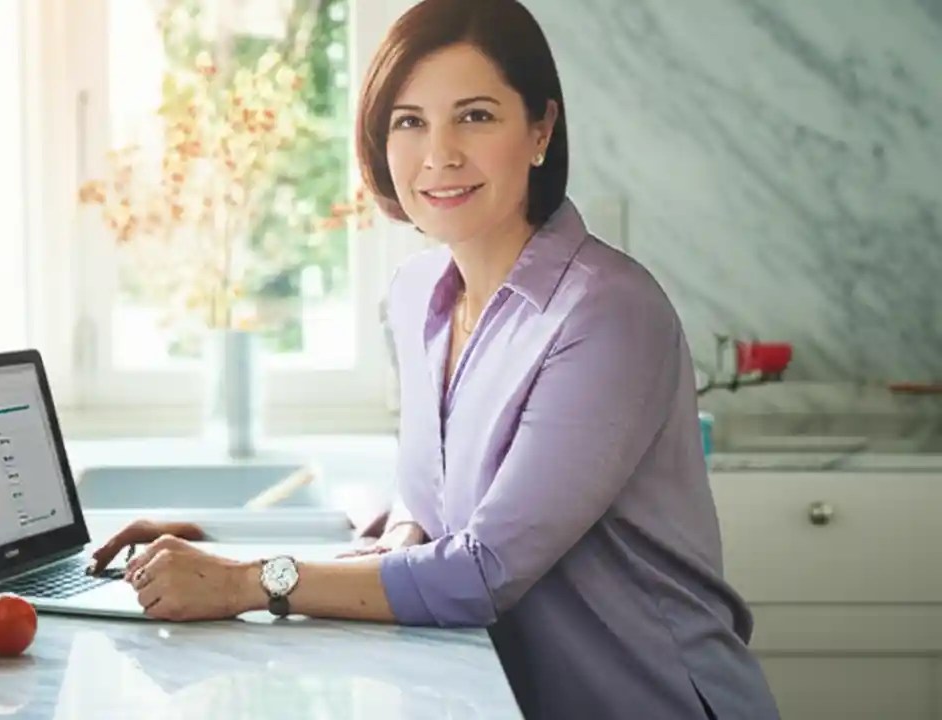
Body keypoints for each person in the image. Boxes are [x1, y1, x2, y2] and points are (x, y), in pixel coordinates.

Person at [89, 1, 780, 717]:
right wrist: (216, 541)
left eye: (475, 116)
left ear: (541, 129)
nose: (439, 154)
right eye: (409, 121)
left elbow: (482, 570)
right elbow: (425, 512)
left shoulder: (606, 313)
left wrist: (243, 580)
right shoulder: (418, 294)